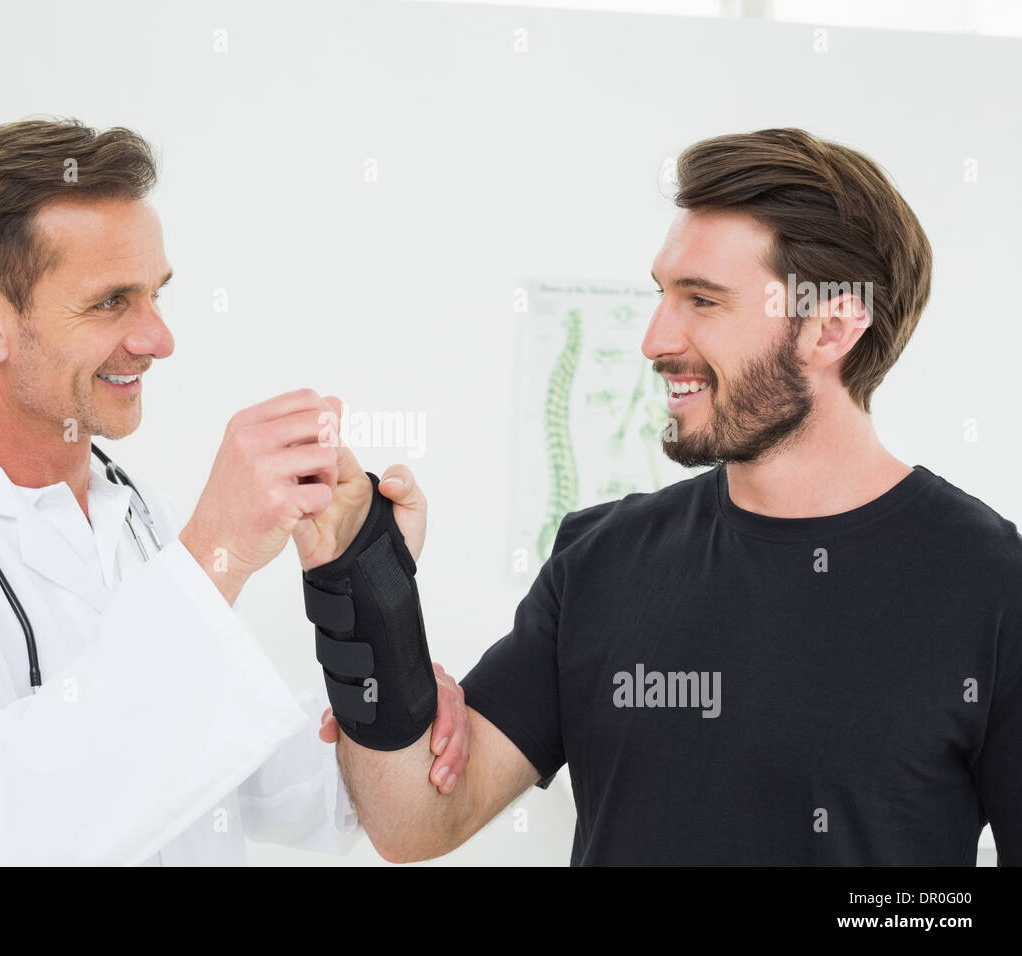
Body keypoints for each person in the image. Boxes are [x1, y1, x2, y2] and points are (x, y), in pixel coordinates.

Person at [298, 128, 1022, 866]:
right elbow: (415, 823)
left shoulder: (992, 585)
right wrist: (364, 581)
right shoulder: (601, 560)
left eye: (702, 300)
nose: (653, 339)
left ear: (831, 325)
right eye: (662, 294)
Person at [0, 118, 470, 865]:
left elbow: (276, 790)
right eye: (112, 302)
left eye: (156, 294)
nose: (159, 338)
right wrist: (216, 552)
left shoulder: (139, 515)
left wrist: (380, 635)